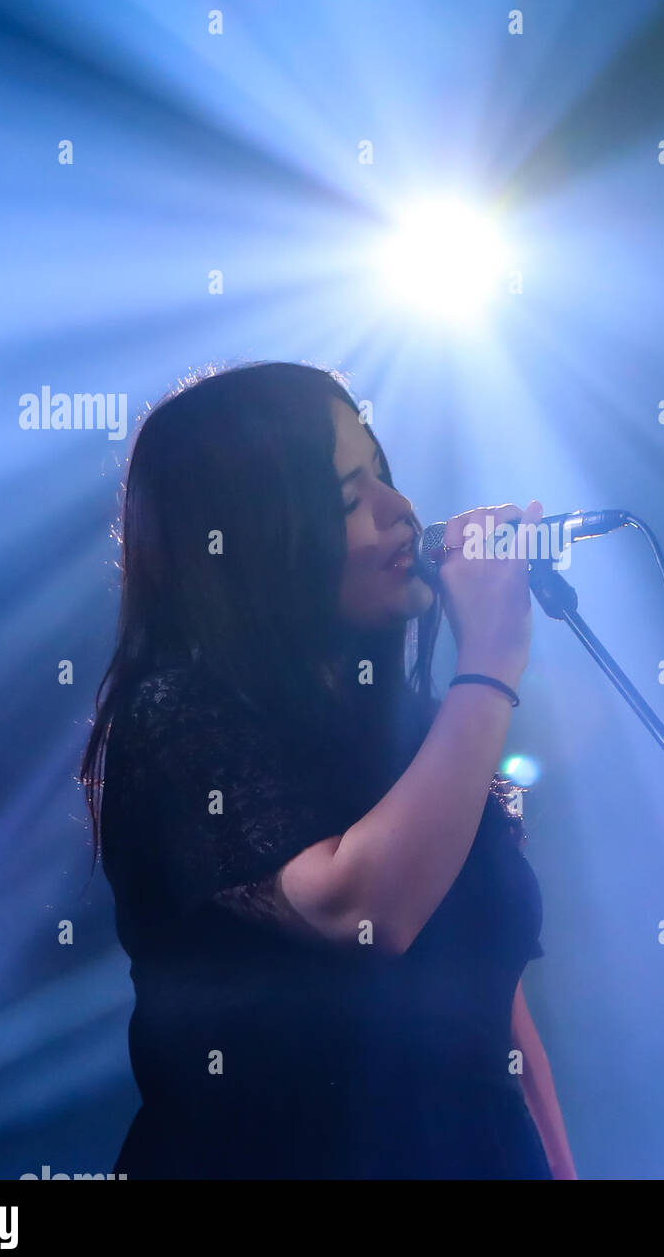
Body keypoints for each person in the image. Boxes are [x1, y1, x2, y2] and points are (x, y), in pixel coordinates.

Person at [79, 360, 576, 1179]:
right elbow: (362, 909)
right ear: (254, 543)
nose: (400, 511)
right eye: (349, 497)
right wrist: (490, 660)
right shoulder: (174, 718)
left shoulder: (419, 732)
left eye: (383, 473)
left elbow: (500, 1017)